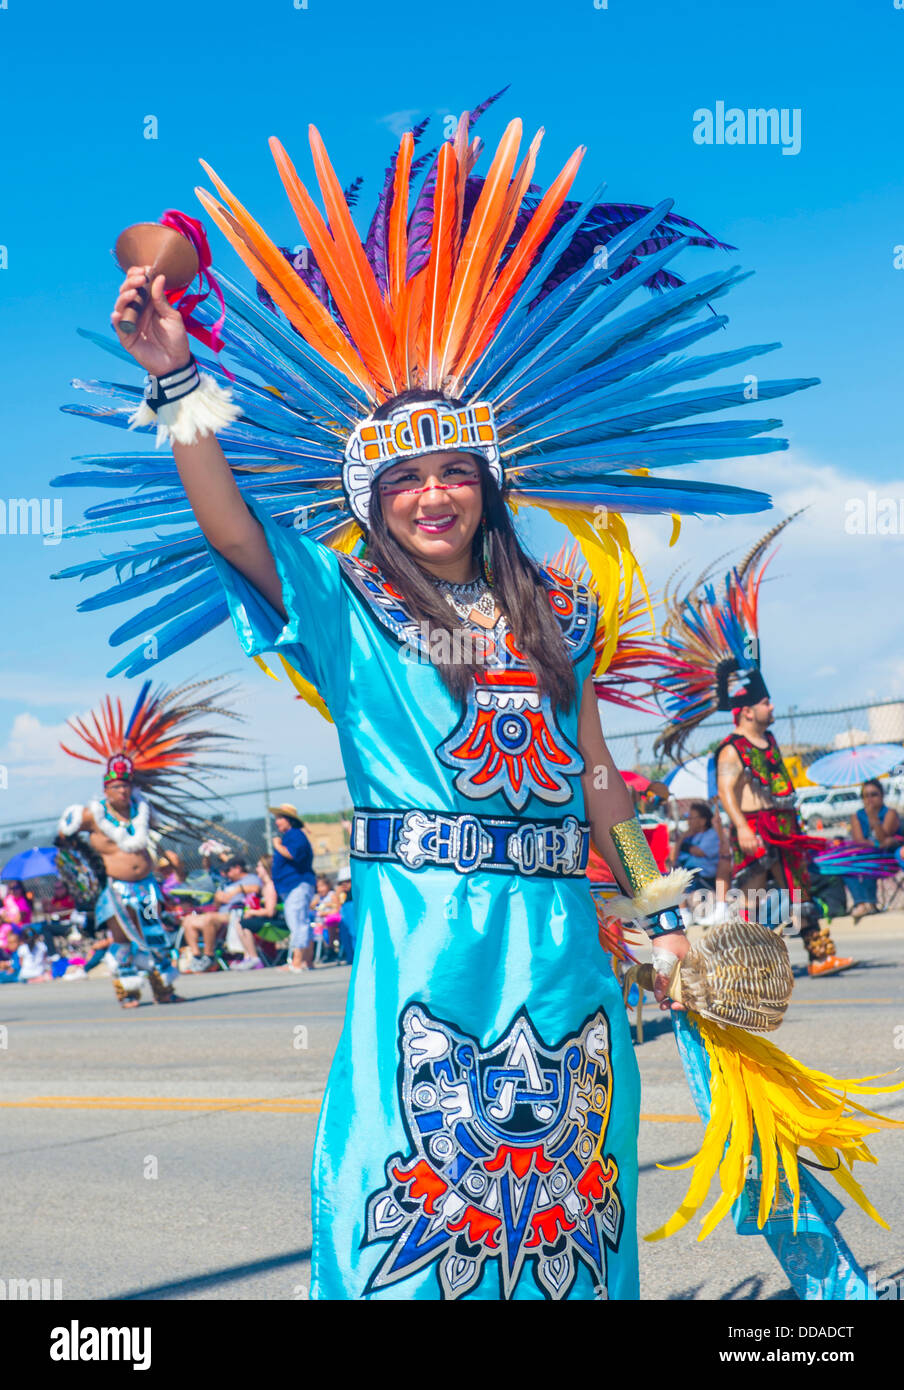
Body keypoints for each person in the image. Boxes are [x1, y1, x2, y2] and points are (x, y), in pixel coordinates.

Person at [93, 103, 827, 1300]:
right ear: (372, 502)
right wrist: (176, 373)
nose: (433, 495)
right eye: (407, 478)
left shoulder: (560, 613)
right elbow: (227, 520)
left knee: (577, 1195)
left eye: (454, 474)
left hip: (564, 941)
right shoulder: (343, 605)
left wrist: (654, 898)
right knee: (411, 1185)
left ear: (486, 487)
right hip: (427, 936)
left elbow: (594, 770)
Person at [654, 517, 855, 979]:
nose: (771, 705)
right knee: (760, 897)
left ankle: (821, 954)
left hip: (785, 823)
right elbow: (728, 791)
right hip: (757, 829)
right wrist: (741, 827)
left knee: (797, 891)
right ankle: (746, 963)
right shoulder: (732, 747)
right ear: (745, 709)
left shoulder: (769, 739)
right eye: (764, 700)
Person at [56, 680, 243, 1007]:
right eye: (116, 786)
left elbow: (157, 837)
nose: (123, 791)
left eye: (127, 785)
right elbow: (63, 845)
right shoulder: (89, 815)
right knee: (122, 941)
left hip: (146, 886)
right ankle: (128, 993)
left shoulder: (145, 811)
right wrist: (82, 877)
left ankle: (164, 990)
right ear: (106, 787)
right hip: (115, 890)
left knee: (156, 939)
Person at [181, 857, 262, 972]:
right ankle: (197, 956)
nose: (226, 874)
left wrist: (237, 890)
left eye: (228, 870)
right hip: (220, 913)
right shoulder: (226, 883)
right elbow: (216, 905)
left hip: (236, 913)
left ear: (238, 868)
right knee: (188, 919)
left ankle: (209, 956)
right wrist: (218, 899)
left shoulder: (251, 878)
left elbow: (257, 888)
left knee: (209, 919)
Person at [844, 778, 903, 919]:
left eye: (874, 794)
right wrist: (876, 844)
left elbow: (883, 839)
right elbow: (859, 842)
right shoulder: (857, 816)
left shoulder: (890, 813)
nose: (870, 799)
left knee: (870, 862)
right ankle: (861, 903)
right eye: (866, 795)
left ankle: (869, 902)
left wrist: (873, 819)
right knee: (845, 866)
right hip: (867, 854)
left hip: (887, 857)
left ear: (882, 795)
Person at [269, 805, 317, 973]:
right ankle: (307, 961)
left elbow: (292, 854)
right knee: (299, 920)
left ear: (289, 820)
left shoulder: (295, 835)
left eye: (280, 818)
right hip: (291, 885)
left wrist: (277, 845)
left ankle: (297, 962)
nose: (276, 822)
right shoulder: (291, 836)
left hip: (298, 883)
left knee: (297, 920)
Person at [671, 800, 720, 892]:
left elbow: (699, 852)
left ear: (703, 821)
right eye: (688, 818)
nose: (688, 821)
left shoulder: (711, 835)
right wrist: (681, 839)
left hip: (701, 880)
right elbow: (672, 858)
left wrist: (682, 844)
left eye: (691, 818)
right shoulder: (688, 836)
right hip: (686, 876)